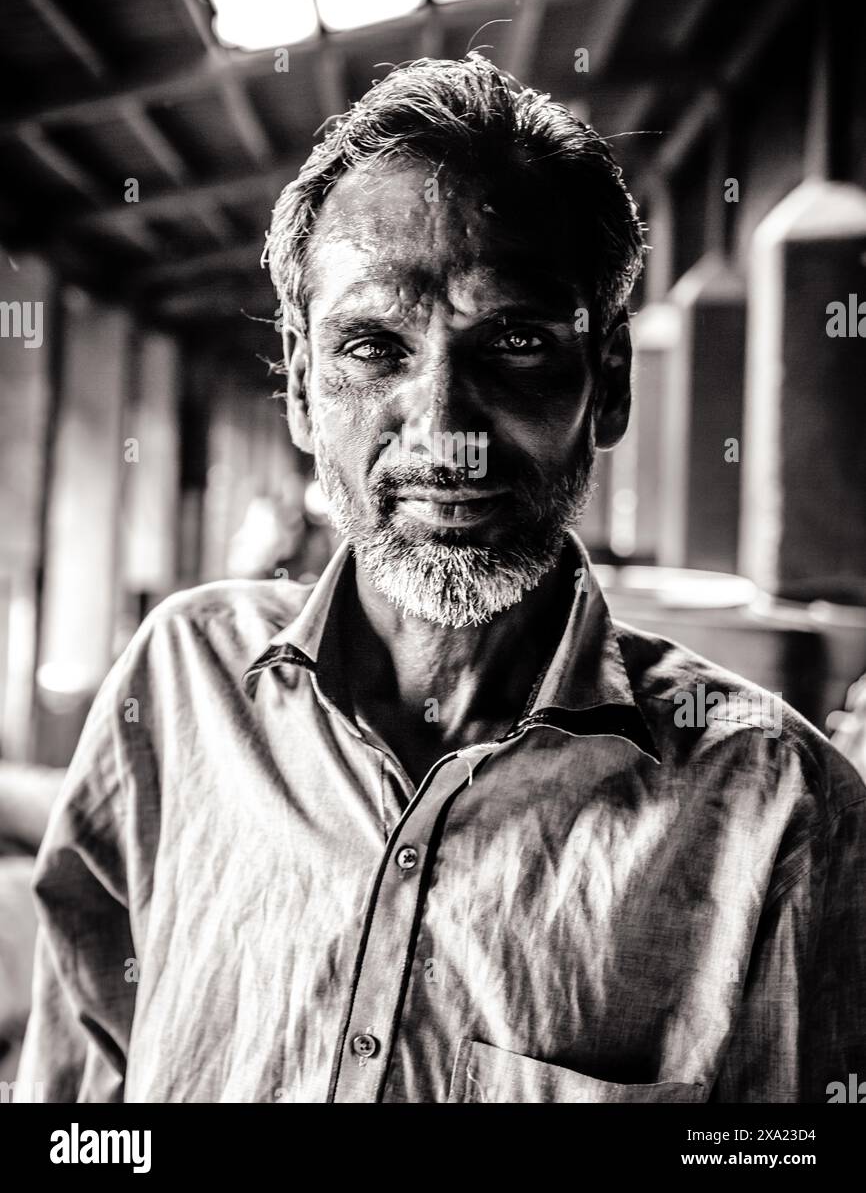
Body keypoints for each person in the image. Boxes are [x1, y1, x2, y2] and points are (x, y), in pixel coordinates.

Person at [17, 55, 866, 1103]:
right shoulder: (181, 687)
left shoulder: (776, 809)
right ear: (297, 385)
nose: (444, 431)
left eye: (512, 341)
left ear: (606, 384)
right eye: (372, 346)